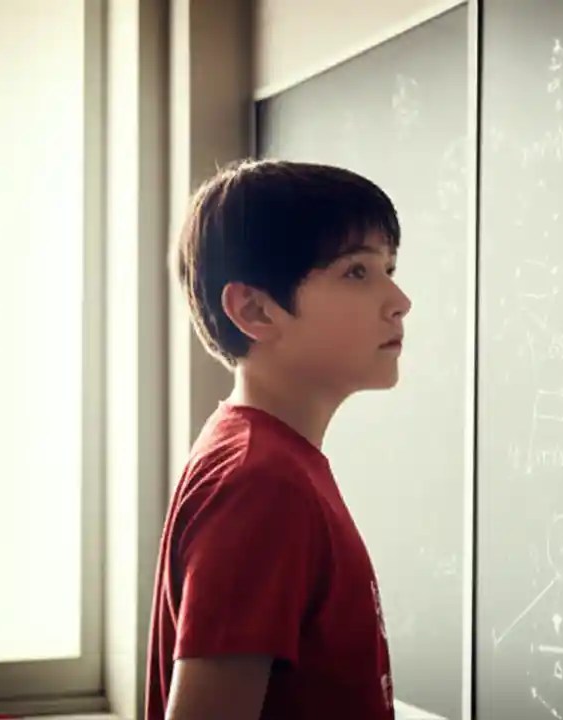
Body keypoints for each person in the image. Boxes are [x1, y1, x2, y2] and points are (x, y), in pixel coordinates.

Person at [144, 159, 412, 719]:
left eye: (388, 268)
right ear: (255, 310)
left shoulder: (270, 460)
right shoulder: (261, 484)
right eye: (357, 272)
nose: (399, 299)